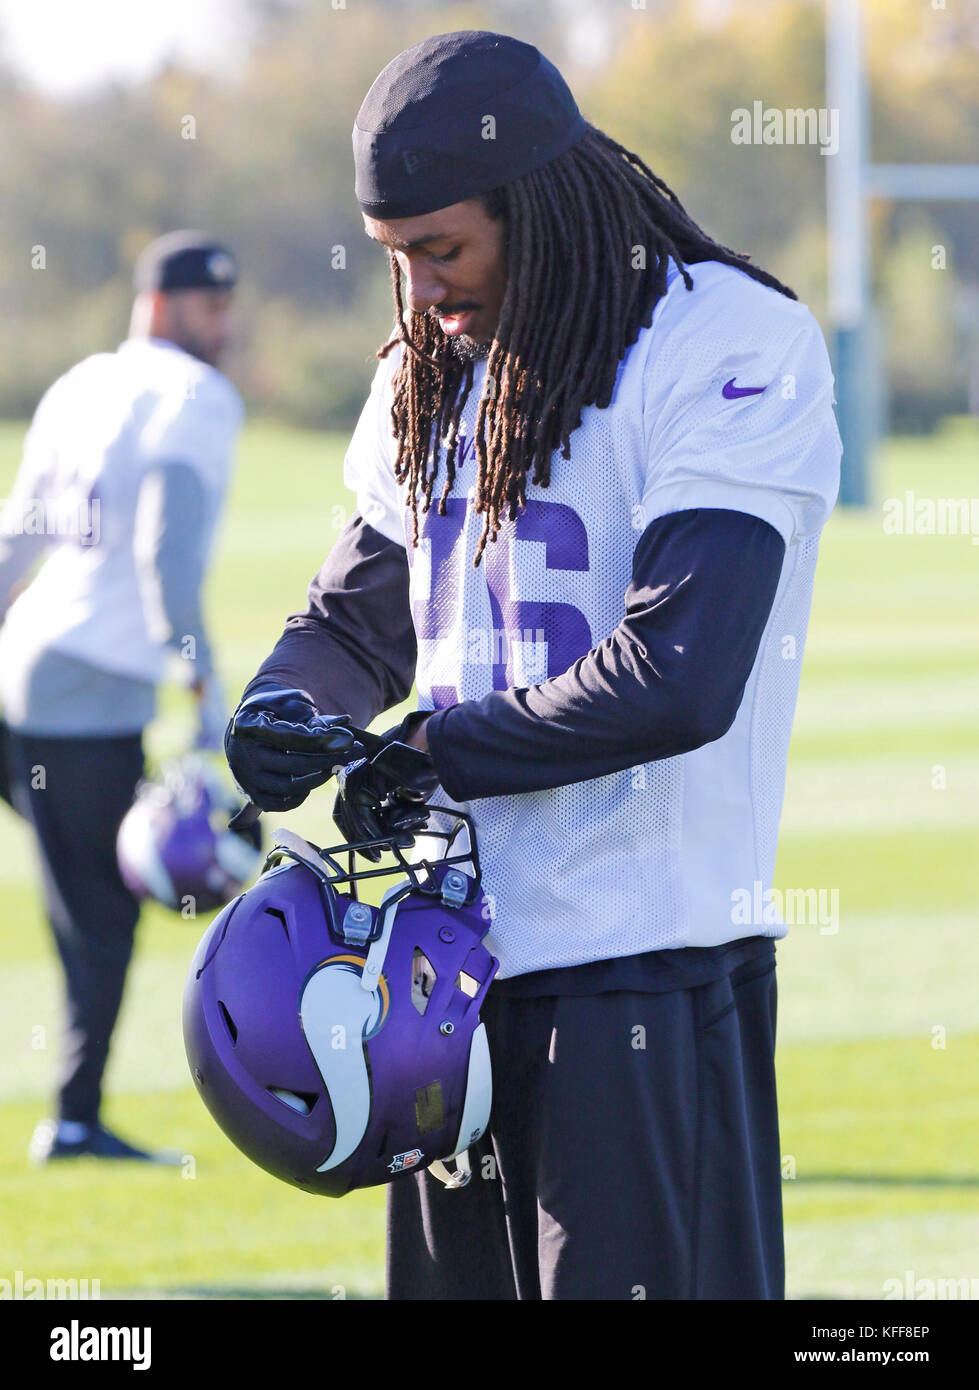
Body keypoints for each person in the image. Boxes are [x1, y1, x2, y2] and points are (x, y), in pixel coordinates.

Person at [225, 31, 842, 1299]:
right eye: (396, 259)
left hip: (644, 971)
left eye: (442, 250)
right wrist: (288, 709)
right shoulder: (430, 370)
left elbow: (678, 671)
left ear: (542, 204)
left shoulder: (726, 340)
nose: (422, 292)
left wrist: (434, 748)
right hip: (446, 987)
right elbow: (356, 624)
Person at [0, 231, 243, 1164]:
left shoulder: (81, 381)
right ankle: (73, 1119)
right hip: (86, 692)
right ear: (161, 301)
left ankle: (74, 1110)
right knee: (102, 914)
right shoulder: (196, 398)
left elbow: (21, 534)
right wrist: (204, 687)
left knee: (82, 900)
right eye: (209, 305)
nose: (224, 322)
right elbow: (164, 564)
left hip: (26, 669)